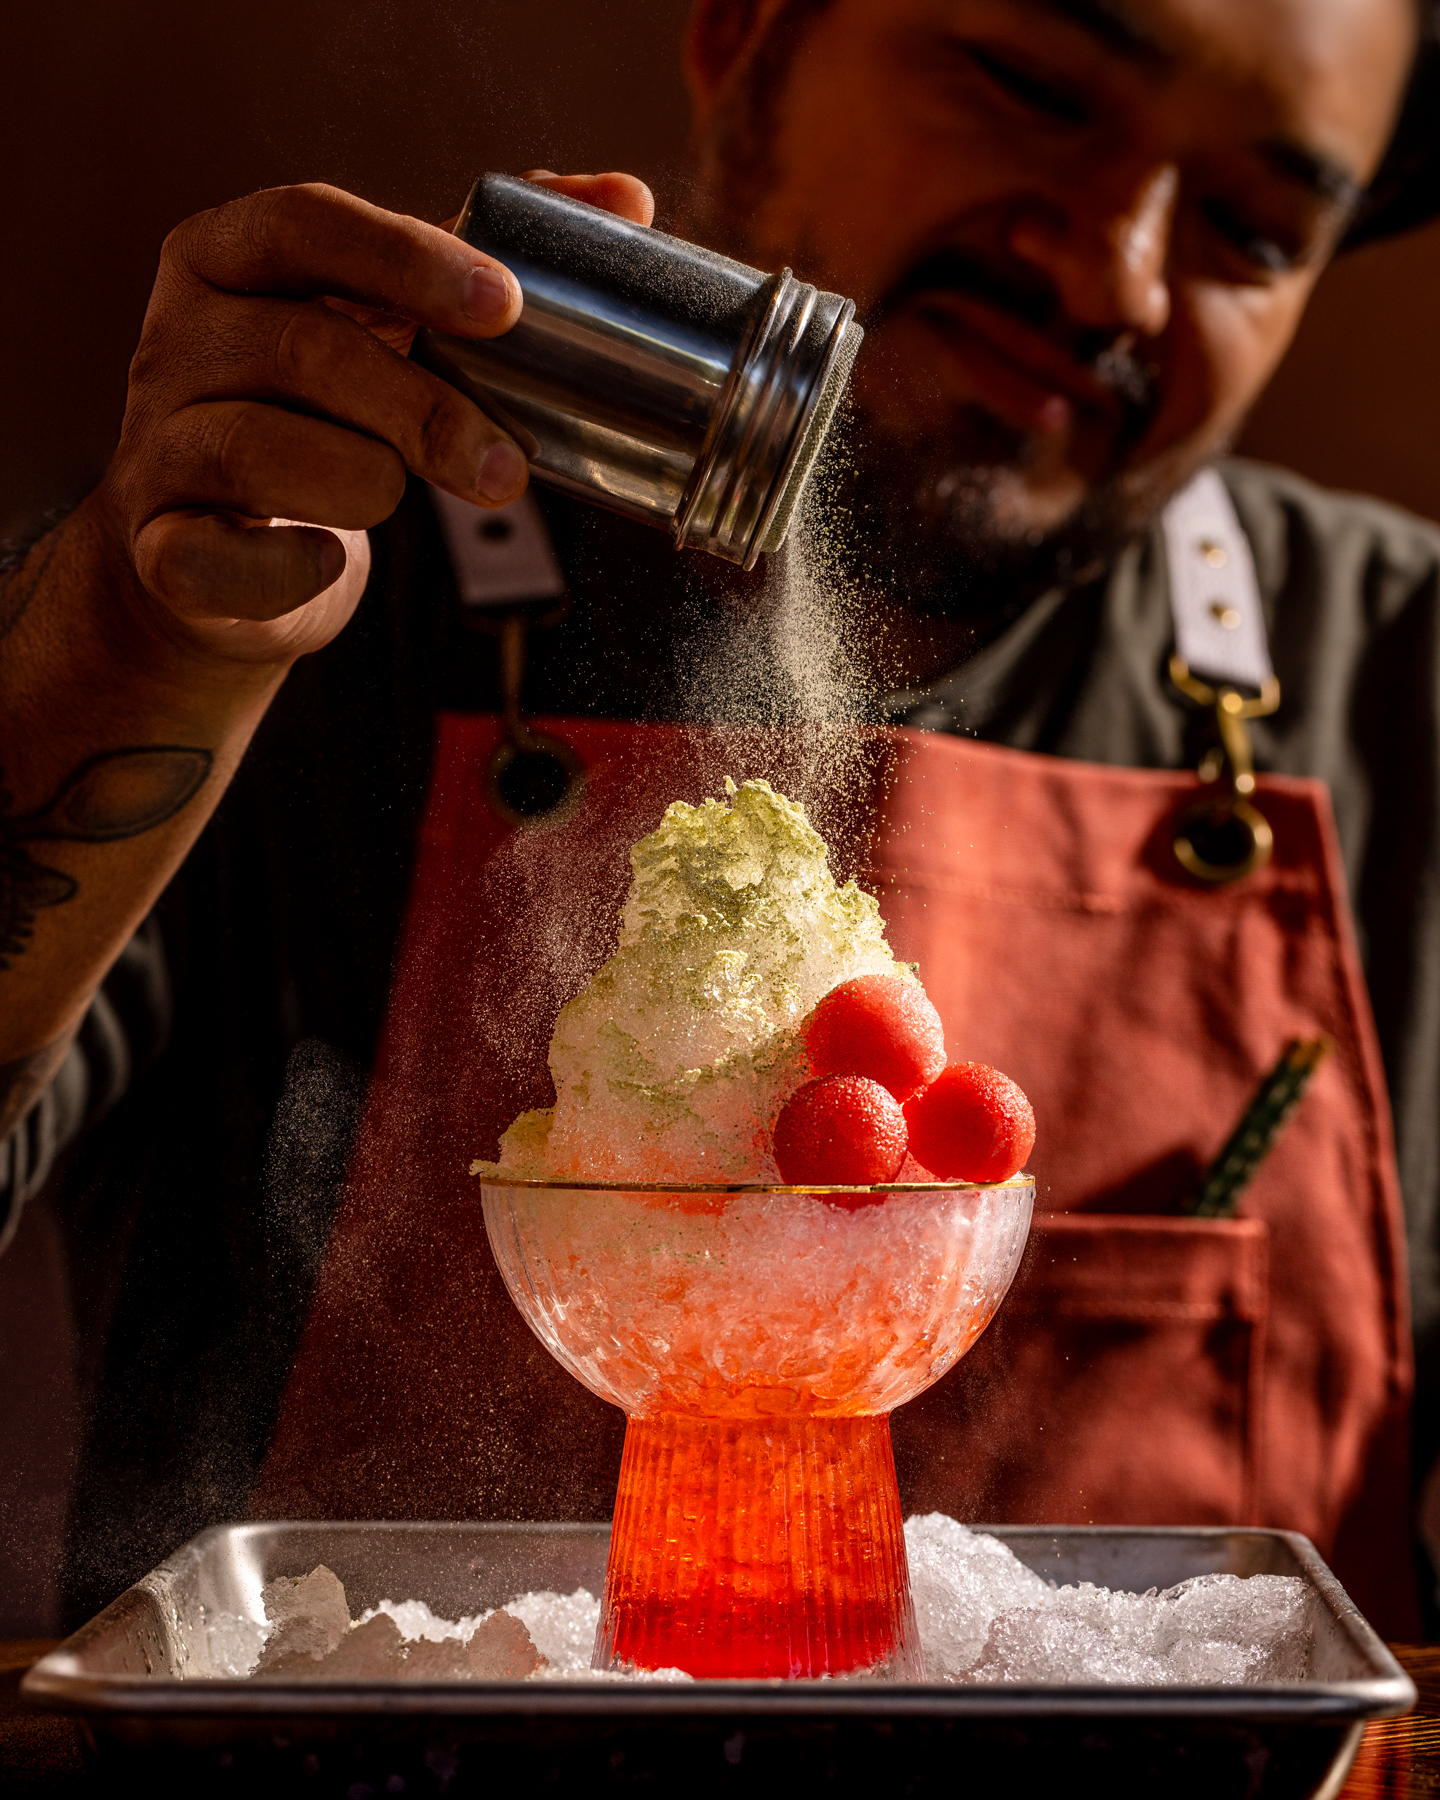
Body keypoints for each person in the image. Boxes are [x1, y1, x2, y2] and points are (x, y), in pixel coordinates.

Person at [3, 0, 1439, 1636]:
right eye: (1029, 87)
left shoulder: (1403, 680)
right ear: (743, 31)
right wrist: (117, 661)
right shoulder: (275, 593)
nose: (1110, 273)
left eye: (1252, 227)